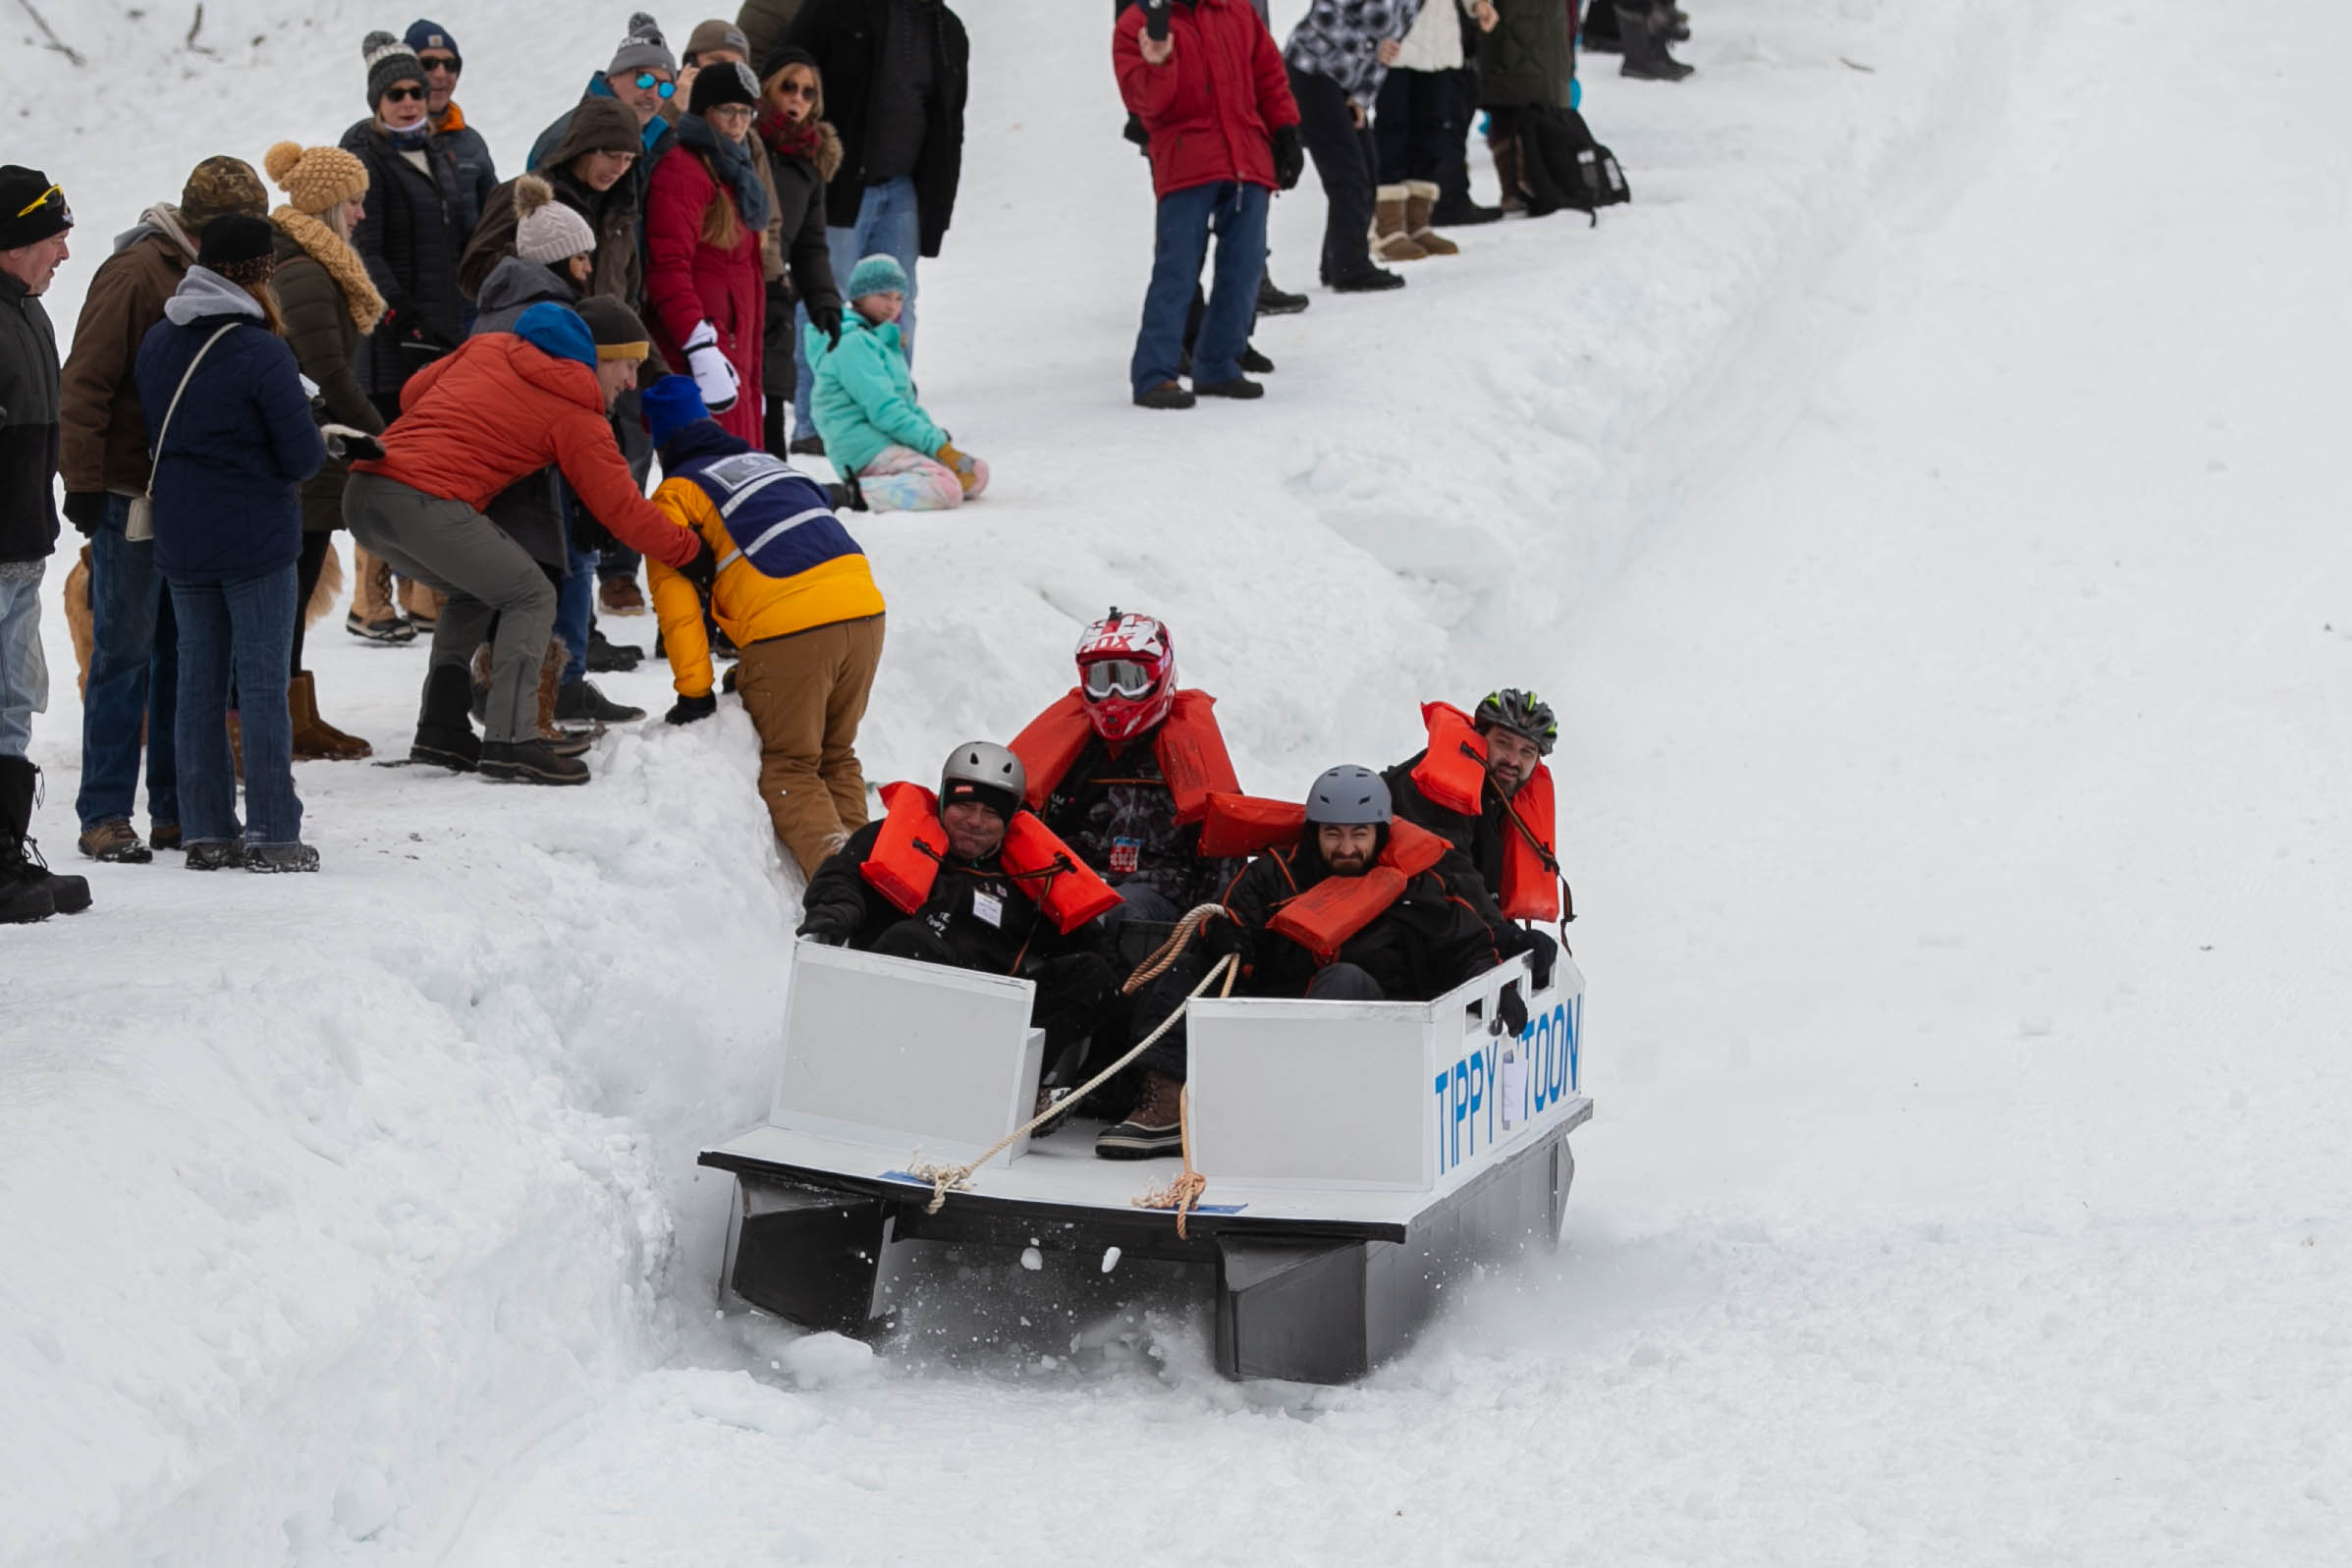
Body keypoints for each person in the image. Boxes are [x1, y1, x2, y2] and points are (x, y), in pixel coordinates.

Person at [343, 297, 708, 785]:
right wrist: (693, 552)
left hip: (367, 489)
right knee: (531, 595)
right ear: (599, 357)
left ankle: (442, 728)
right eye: (628, 366)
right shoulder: (577, 412)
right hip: (424, 500)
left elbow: (413, 392)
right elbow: (625, 513)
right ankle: (513, 741)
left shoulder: (490, 346)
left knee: (477, 591)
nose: (631, 383)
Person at [1098, 765, 1516, 1158]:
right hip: (1273, 1017)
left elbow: (1471, 951)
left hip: (1375, 1038)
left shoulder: (1421, 889)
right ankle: (1166, 1104)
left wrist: (1501, 989)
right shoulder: (1273, 875)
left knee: (1344, 979)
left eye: (1360, 834)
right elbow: (1230, 923)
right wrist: (1225, 938)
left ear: (1381, 833)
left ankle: (1305, 1121)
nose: (1347, 848)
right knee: (1187, 967)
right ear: (1315, 832)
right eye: (1333, 834)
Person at [59, 154, 270, 863]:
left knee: (188, 653)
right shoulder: (135, 273)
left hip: (192, 496)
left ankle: (178, 808)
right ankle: (105, 812)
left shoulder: (213, 273)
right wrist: (84, 481)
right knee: (123, 653)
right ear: (193, 225)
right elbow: (84, 383)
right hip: (130, 496)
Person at [135, 215, 328, 873]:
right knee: (262, 683)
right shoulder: (261, 351)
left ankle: (207, 830)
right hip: (255, 540)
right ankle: (274, 831)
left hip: (184, 538)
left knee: (197, 683)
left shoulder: (159, 340)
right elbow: (301, 457)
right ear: (260, 271)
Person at [640, 375, 884, 875]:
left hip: (792, 628)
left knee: (790, 764)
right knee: (836, 754)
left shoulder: (677, 493)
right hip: (865, 610)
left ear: (660, 444)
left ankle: (842, 883)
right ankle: (878, 873)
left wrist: (695, 693)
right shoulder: (770, 465)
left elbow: (677, 604)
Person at [462, 110, 653, 699]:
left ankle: (536, 680)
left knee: (562, 550)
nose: (617, 169)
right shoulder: (536, 300)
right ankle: (543, 690)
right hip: (556, 399)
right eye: (609, 156)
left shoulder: (621, 204)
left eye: (628, 161)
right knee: (559, 551)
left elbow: (630, 287)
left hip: (599, 360)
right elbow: (477, 269)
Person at [797, 741, 1119, 1068]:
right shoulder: (891, 838)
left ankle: (1020, 1080)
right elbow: (840, 876)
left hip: (995, 1015)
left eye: (991, 813)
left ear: (1009, 820)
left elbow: (1085, 937)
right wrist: (837, 910)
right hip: (904, 1004)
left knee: (1094, 974)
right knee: (910, 939)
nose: (975, 821)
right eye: (965, 806)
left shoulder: (1032, 872)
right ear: (944, 800)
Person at [527, 14, 684, 622]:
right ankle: (576, 617)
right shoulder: (568, 141)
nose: (654, 92)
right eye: (643, 77)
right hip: (568, 334)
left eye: (666, 84)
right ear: (613, 78)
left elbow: (631, 253)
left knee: (632, 441)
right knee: (579, 469)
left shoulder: (647, 143)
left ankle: (618, 572)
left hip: (618, 324)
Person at [778, 0, 970, 456]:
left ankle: (897, 419)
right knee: (825, 297)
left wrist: (937, 198)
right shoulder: (834, 10)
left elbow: (949, 121)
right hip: (840, 184)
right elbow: (783, 76)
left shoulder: (948, 29)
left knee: (898, 303)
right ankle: (813, 423)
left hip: (905, 188)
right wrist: (804, 155)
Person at [1114, 0, 1303, 410]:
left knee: (1246, 264)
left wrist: (1286, 131)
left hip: (1247, 158)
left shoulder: (1237, 11)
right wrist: (1159, 64)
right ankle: (1154, 374)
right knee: (1178, 268)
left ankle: (1218, 363)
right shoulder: (1138, 23)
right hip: (1187, 161)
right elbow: (1144, 105)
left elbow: (1269, 77)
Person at [264, 140, 387, 763]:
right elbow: (326, 371)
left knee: (298, 582)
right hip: (305, 452)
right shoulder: (307, 272)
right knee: (291, 585)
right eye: (356, 203)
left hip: (310, 450)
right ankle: (281, 722)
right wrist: (376, 431)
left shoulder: (312, 264)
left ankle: (295, 716)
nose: (362, 215)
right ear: (331, 206)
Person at [1008, 609, 1240, 934]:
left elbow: (1225, 854)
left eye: (1129, 681)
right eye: (1101, 681)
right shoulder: (1071, 751)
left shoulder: (1191, 756)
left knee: (1109, 915)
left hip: (1156, 896)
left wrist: (1211, 927)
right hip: (1072, 879)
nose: (1114, 697)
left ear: (1161, 675)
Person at [345, 30, 466, 642]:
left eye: (417, 90)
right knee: (385, 467)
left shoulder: (431, 149)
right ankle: (370, 600)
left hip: (440, 336)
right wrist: (404, 321)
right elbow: (366, 251)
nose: (411, 101)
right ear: (376, 98)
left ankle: (425, 594)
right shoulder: (368, 156)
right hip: (394, 343)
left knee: (431, 469)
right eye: (396, 93)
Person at [0, 164, 91, 920]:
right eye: (54, 237)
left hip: (24, 547)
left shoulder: (29, 313)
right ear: (13, 241)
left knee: (15, 700)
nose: (64, 252)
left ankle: (6, 852)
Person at [1383, 687, 1566, 968]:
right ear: (1479, 739)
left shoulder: (1497, 798)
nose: (1513, 760)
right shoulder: (1442, 787)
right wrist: (1507, 937)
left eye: (1526, 752)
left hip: (1440, 931)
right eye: (1503, 743)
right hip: (1392, 937)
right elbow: (1452, 872)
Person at [645, 60, 773, 448]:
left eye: (745, 112)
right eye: (726, 111)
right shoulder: (684, 170)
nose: (737, 123)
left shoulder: (735, 173)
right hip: (705, 347)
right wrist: (700, 347)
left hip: (736, 347)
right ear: (703, 111)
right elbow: (668, 267)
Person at [804, 252, 983, 511]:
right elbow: (885, 410)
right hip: (863, 448)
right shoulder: (852, 343)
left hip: (886, 439)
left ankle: (907, 481)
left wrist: (937, 441)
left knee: (977, 474)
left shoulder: (881, 340)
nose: (892, 306)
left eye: (899, 298)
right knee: (947, 487)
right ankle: (849, 494)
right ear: (859, 297)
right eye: (884, 296)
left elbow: (905, 403)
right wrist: (938, 449)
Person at [1285, 0, 1419, 295]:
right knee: (1348, 175)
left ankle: (1337, 262)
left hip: (1344, 82)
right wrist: (1370, 48)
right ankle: (1350, 267)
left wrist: (1360, 97)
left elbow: (1389, 49)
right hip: (1311, 70)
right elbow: (1324, 18)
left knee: (1367, 172)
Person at [753, 49, 845, 457]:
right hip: (731, 286)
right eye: (788, 87)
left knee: (773, 402)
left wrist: (824, 300)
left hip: (774, 292)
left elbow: (810, 245)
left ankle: (774, 496)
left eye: (808, 93)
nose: (797, 100)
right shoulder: (744, 144)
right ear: (768, 89)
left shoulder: (808, 163)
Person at [1373, 0, 1500, 255]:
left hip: (1440, 44)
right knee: (1393, 132)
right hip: (1396, 42)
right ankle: (1387, 228)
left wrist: (1478, 4)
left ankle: (1418, 223)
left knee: (1432, 132)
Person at [406, 21, 501, 238]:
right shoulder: (375, 140)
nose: (441, 74)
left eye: (450, 65)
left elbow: (497, 219)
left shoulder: (472, 143)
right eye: (428, 64)